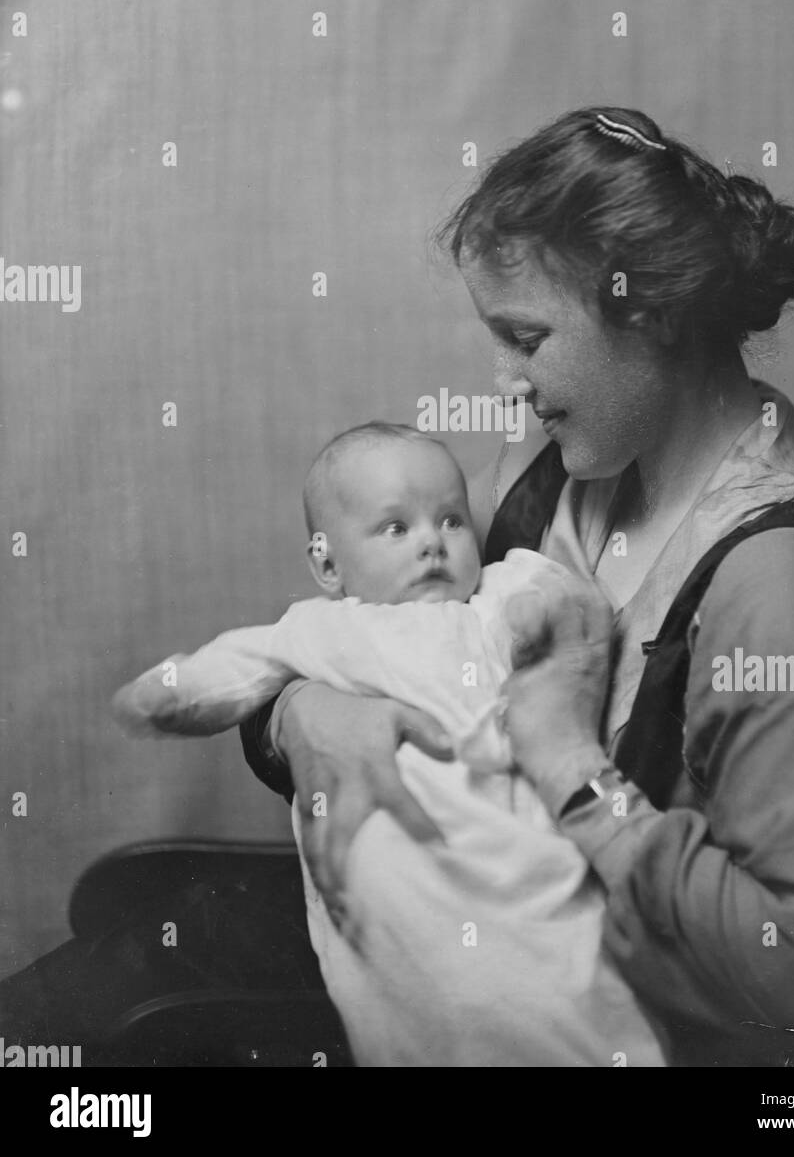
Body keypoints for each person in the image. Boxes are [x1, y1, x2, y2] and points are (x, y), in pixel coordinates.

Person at [240, 106, 794, 1067]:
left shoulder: (784, 589)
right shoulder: (542, 479)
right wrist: (300, 714)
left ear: (655, 313)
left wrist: (571, 771)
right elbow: (377, 651)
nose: (505, 379)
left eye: (527, 338)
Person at [112, 421, 666, 1067]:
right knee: (420, 1018)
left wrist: (545, 617)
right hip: (399, 897)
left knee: (568, 989)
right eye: (396, 529)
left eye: (452, 521)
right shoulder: (318, 629)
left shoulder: (491, 602)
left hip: (514, 865)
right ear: (327, 563)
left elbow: (568, 603)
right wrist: (162, 694)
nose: (433, 542)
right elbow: (229, 670)